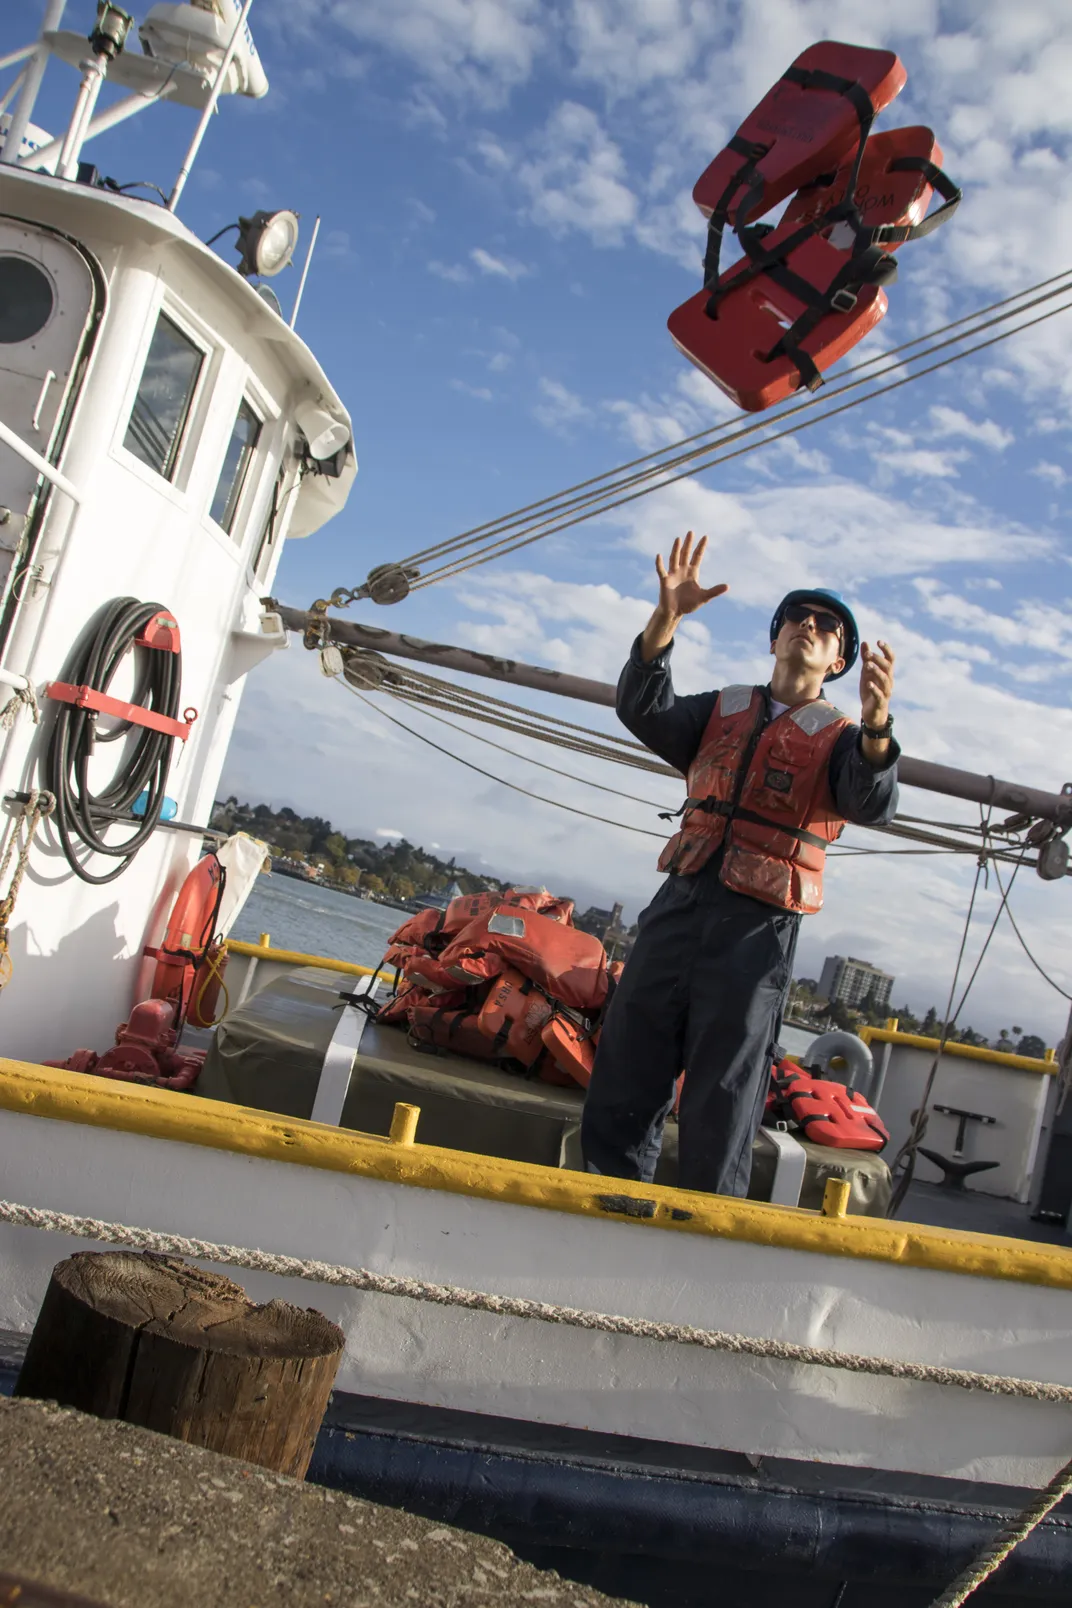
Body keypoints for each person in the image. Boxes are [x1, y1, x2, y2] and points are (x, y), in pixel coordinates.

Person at [581, 531, 899, 1198]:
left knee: (725, 1089)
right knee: (628, 1052)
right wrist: (665, 618)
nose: (808, 627)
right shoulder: (721, 710)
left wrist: (877, 725)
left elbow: (870, 799)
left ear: (840, 659)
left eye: (827, 625)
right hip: (681, 902)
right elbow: (642, 706)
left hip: (757, 934)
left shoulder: (845, 739)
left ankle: (702, 1237)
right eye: (796, 617)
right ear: (774, 636)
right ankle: (609, 1204)